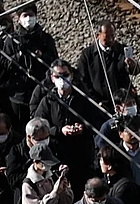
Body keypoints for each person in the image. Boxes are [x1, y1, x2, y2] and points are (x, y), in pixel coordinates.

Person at [31, 61, 96, 191]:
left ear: (71, 75)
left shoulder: (83, 98)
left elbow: (95, 121)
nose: (62, 79)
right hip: (58, 156)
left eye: (65, 75)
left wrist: (82, 127)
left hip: (81, 156)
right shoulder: (48, 100)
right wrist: (59, 131)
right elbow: (38, 125)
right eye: (57, 76)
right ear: (51, 78)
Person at [76, 20, 138, 120]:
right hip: (100, 101)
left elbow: (134, 71)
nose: (111, 39)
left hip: (121, 100)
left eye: (113, 36)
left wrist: (132, 65)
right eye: (107, 37)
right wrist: (95, 100)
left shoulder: (121, 50)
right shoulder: (87, 54)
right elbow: (83, 81)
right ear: (98, 35)